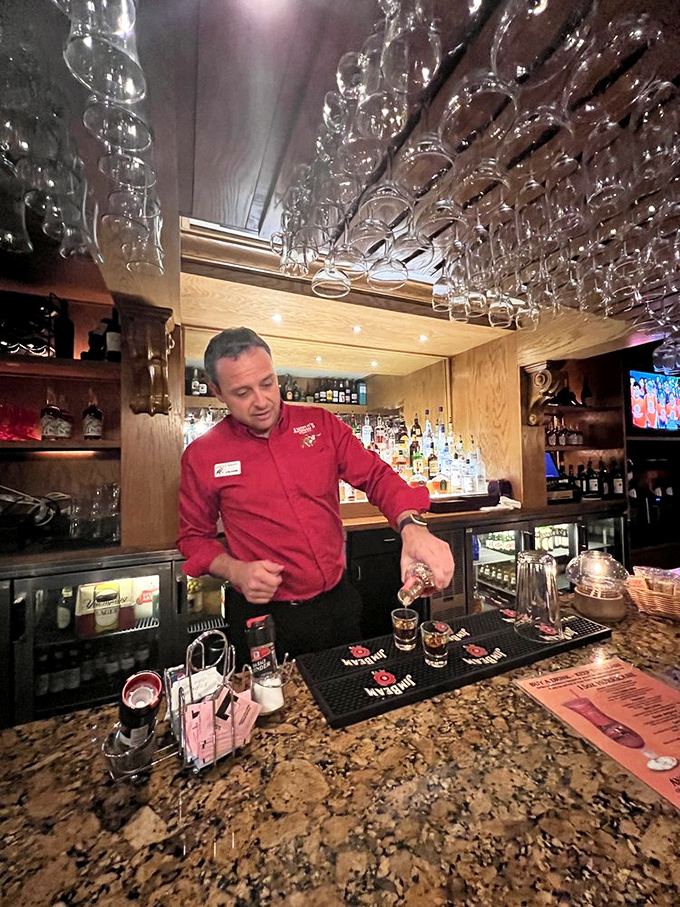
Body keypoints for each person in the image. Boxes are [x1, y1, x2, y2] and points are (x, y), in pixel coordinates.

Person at [177, 327, 454, 667]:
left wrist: (413, 528)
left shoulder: (321, 425)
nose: (261, 401)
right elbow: (193, 538)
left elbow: (377, 476)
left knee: (348, 694)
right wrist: (233, 569)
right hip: (261, 617)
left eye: (267, 383)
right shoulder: (202, 454)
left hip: (336, 604)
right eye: (242, 392)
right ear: (217, 392)